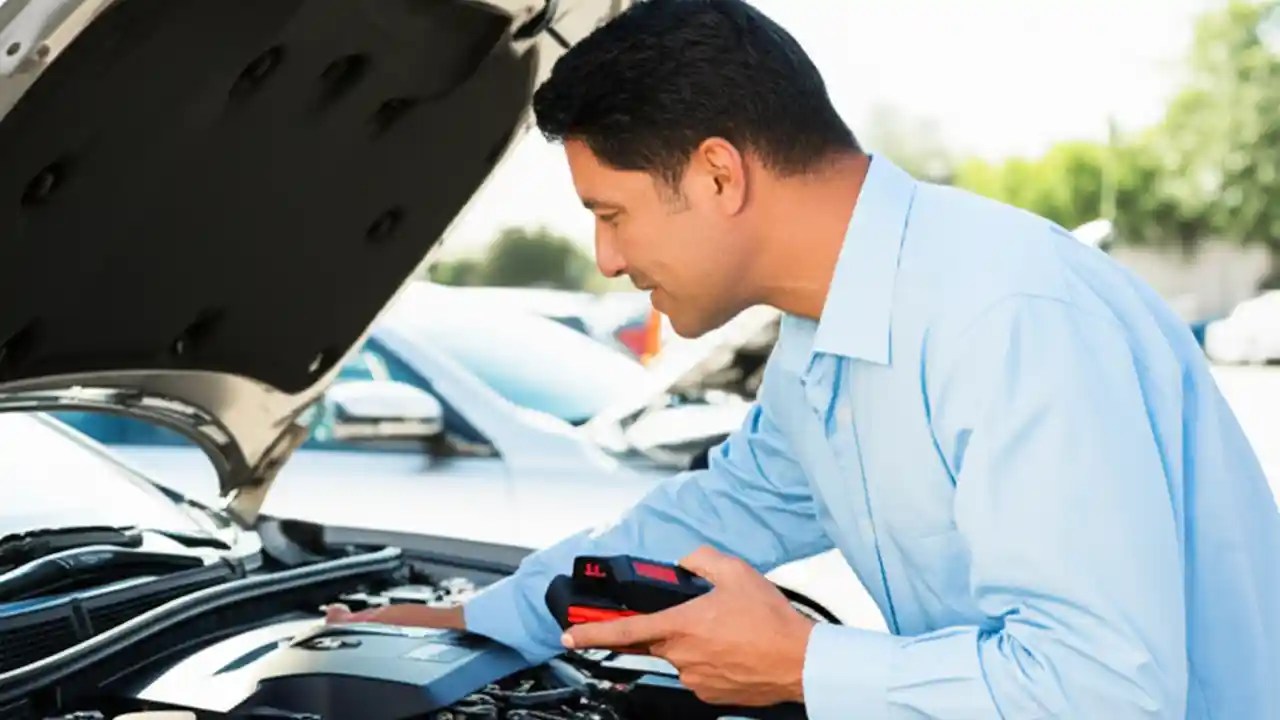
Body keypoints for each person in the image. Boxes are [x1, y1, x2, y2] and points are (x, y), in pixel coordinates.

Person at [325, 1, 1280, 717]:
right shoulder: (826, 338)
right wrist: (493, 619)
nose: (607, 259)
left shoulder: (1003, 317)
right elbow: (716, 512)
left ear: (717, 173)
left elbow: (1105, 689)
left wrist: (805, 665)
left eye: (611, 214)